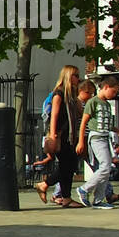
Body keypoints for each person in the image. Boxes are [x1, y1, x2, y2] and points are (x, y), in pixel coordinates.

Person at [77, 76, 119, 208]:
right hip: (96, 138)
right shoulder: (93, 102)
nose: (114, 95)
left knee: (106, 169)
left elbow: (106, 125)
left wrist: (117, 130)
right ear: (106, 87)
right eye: (113, 91)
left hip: (105, 137)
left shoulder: (107, 105)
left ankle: (98, 199)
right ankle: (84, 189)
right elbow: (84, 123)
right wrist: (81, 141)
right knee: (105, 166)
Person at [46, 64, 83, 207]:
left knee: (69, 166)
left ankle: (66, 197)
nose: (78, 79)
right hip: (61, 135)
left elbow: (79, 113)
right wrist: (53, 134)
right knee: (67, 166)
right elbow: (54, 115)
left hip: (70, 136)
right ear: (68, 76)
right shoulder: (59, 93)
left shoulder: (72, 96)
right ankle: (45, 184)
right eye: (76, 76)